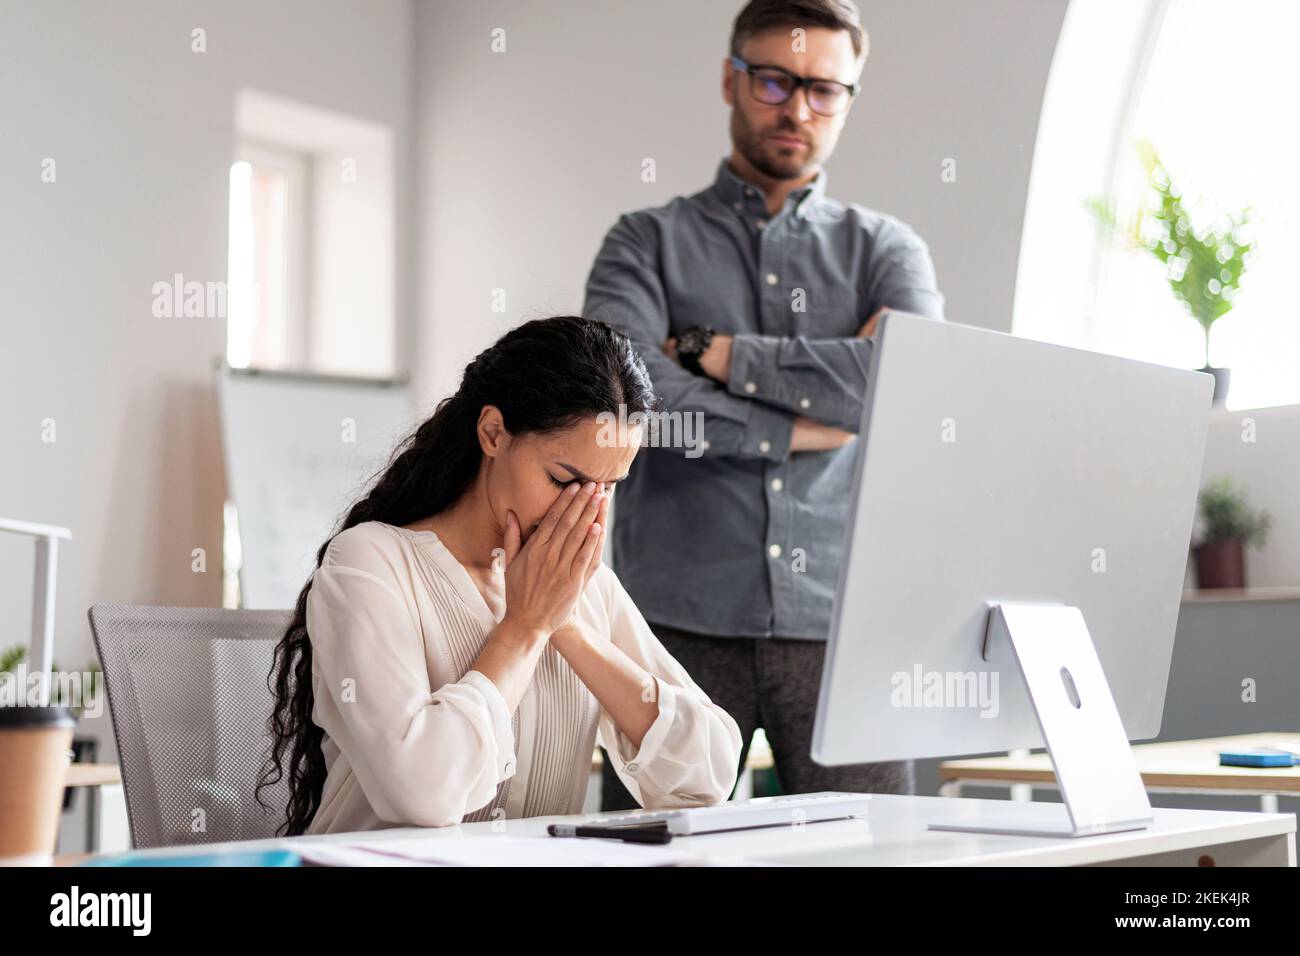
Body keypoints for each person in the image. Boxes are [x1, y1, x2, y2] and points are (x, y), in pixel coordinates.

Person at [584, 0, 946, 810]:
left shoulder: (888, 250)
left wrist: (715, 353)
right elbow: (630, 409)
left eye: (826, 90)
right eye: (776, 80)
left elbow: (913, 390)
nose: (797, 109)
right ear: (730, 78)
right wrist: (800, 427)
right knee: (653, 862)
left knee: (880, 864)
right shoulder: (642, 243)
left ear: (850, 98)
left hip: (844, 629)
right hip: (673, 628)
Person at [259, 316, 743, 835]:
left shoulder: (585, 586)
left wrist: (567, 628)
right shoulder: (369, 563)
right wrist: (526, 627)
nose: (586, 513)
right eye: (565, 480)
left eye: (608, 488)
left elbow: (708, 775)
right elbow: (421, 793)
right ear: (493, 433)